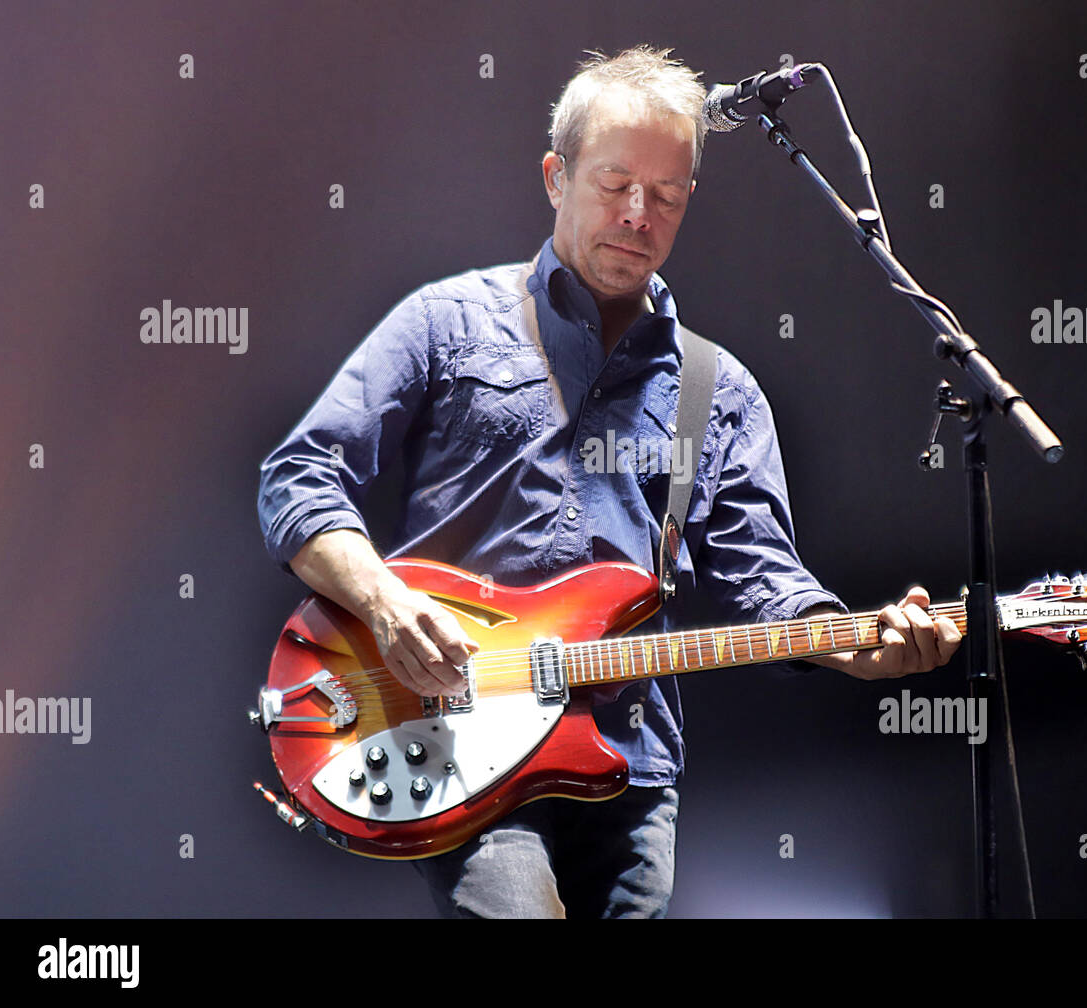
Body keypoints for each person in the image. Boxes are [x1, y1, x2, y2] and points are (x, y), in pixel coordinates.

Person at [257, 44, 961, 918]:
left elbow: (768, 583)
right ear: (556, 176)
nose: (638, 213)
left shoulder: (720, 391)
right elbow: (297, 476)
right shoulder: (445, 323)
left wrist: (860, 645)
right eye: (615, 183)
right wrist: (386, 603)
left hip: (628, 761)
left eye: (666, 195)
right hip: (452, 726)